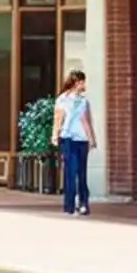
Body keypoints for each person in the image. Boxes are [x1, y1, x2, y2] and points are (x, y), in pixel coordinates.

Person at [51, 69, 97, 216]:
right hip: (68, 138)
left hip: (81, 139)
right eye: (82, 82)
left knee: (81, 172)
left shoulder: (83, 100)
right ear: (75, 83)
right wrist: (55, 135)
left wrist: (91, 138)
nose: (84, 85)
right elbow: (58, 118)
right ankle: (71, 205)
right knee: (71, 171)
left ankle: (82, 203)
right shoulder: (63, 99)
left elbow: (86, 120)